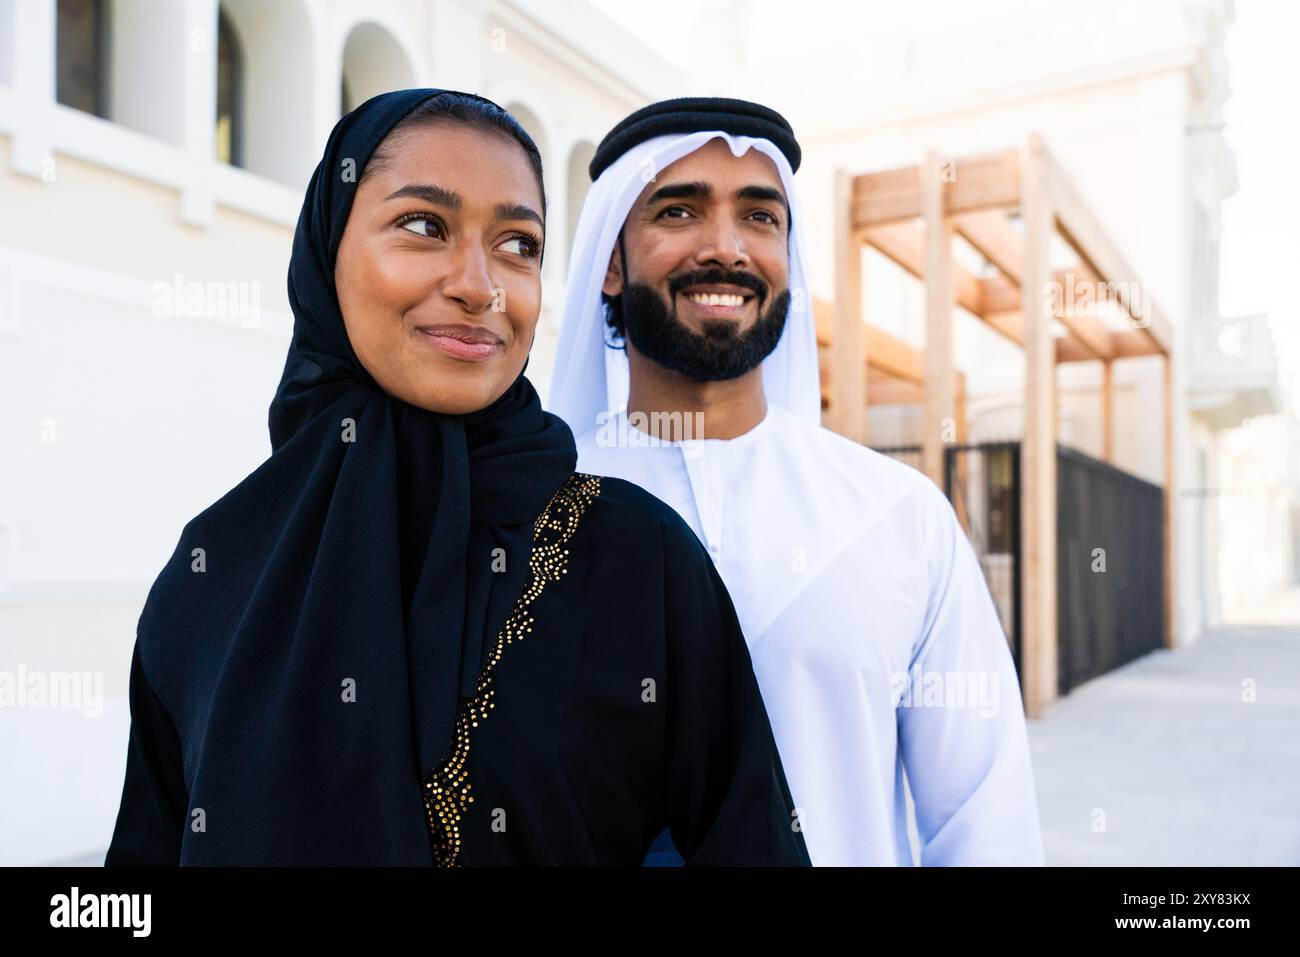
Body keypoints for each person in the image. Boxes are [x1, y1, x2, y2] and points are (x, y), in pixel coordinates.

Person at [103, 89, 809, 867]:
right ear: (327, 249)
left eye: (518, 245)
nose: (481, 285)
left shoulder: (640, 559)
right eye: (423, 226)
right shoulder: (212, 574)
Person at [551, 97, 1045, 866]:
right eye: (678, 211)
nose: (727, 248)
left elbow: (985, 820)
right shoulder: (535, 511)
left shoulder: (900, 517)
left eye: (760, 217)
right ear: (610, 262)